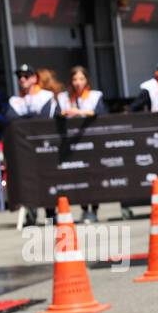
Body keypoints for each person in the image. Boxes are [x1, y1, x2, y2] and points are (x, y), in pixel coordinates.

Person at [58, 67, 104, 221]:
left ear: (87, 80)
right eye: (75, 79)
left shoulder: (95, 95)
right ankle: (84, 209)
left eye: (81, 79)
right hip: (73, 145)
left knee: (93, 174)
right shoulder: (63, 98)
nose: (78, 83)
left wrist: (78, 112)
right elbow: (57, 114)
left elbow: (99, 112)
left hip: (92, 142)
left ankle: (94, 209)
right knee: (78, 176)